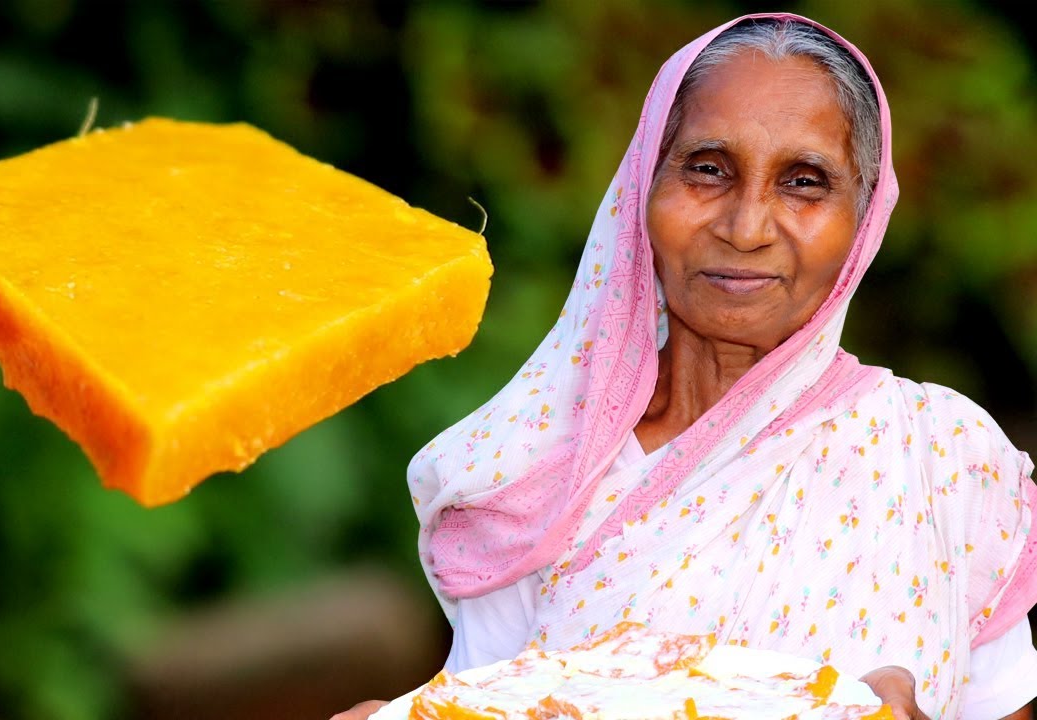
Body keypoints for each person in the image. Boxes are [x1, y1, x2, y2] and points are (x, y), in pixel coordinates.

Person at [333, 11, 1037, 720]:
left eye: (804, 181)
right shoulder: (541, 466)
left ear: (865, 215)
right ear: (644, 186)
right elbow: (484, 706)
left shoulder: (944, 459)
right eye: (708, 170)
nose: (746, 226)